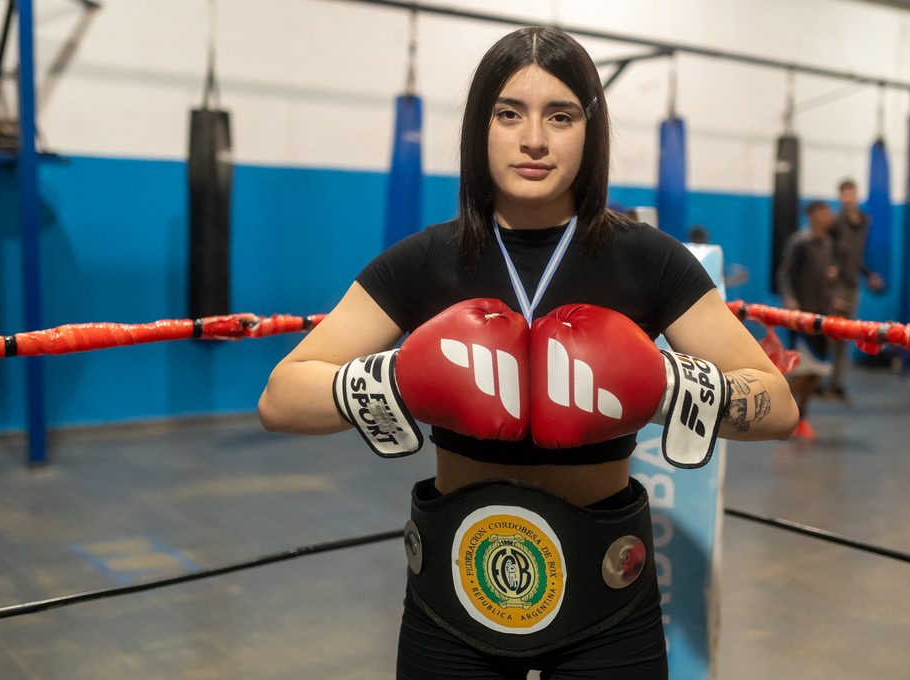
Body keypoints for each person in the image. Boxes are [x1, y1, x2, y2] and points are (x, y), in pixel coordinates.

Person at [258, 27, 796, 679]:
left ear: (589, 132)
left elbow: (776, 406)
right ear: (479, 129)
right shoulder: (427, 261)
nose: (534, 139)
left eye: (560, 116)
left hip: (607, 594)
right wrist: (400, 379)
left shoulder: (648, 260)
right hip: (455, 588)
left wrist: (663, 386)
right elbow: (281, 397)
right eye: (509, 113)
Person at [776, 201, 839, 441]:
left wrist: (833, 301)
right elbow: (784, 274)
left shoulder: (828, 244)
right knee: (801, 372)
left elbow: (824, 280)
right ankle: (779, 410)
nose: (827, 216)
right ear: (811, 216)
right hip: (802, 319)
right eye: (823, 212)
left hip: (822, 317)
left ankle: (801, 417)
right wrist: (790, 299)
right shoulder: (799, 242)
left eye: (828, 212)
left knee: (816, 373)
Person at [823, 179, 884, 402]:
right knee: (829, 332)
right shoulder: (834, 222)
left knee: (844, 335)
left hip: (851, 285)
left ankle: (837, 384)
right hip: (834, 286)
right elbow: (830, 253)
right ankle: (820, 380)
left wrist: (869, 275)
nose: (849, 198)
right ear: (840, 197)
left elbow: (854, 258)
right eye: (845, 194)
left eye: (852, 193)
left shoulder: (864, 222)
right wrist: (828, 271)